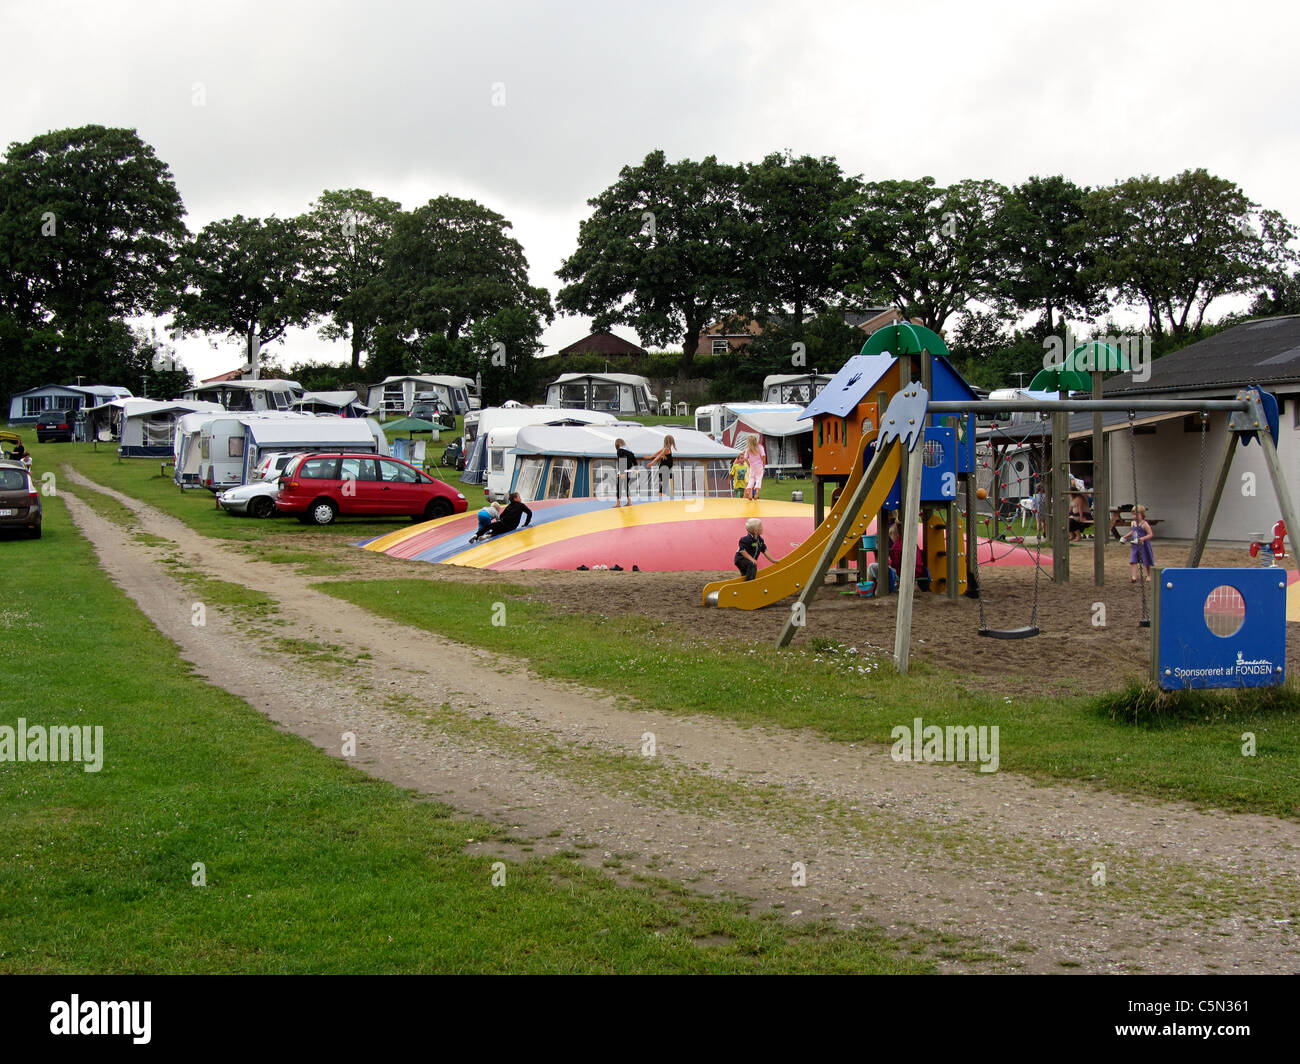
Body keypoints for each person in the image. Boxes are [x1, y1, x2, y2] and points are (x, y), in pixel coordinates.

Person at [866, 521, 927, 592]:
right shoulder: (913, 543)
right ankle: (914, 585)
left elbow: (895, 564)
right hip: (918, 572)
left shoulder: (897, 546)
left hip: (902, 573)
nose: (891, 538)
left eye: (891, 536)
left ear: (897, 535)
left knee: (871, 566)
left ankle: (870, 589)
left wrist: (887, 563)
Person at [1127, 504, 1154, 582]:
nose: (1134, 516)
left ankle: (1148, 575)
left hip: (1144, 545)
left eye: (1136, 514)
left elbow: (1150, 534)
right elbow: (1133, 531)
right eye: (1133, 514)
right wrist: (1126, 536)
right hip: (1135, 544)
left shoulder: (1145, 524)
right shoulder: (1133, 523)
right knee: (1133, 560)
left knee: (1146, 560)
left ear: (1142, 514)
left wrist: (1143, 538)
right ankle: (1134, 577)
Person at [646, 435, 676, 499]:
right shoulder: (667, 449)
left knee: (664, 483)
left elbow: (656, 454)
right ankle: (661, 498)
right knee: (664, 483)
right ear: (671, 442)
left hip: (665, 467)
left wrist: (650, 457)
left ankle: (661, 497)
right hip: (665, 468)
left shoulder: (666, 449)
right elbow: (659, 455)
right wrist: (652, 462)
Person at [613, 438, 638, 506]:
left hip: (623, 469)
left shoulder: (620, 451)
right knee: (626, 486)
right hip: (629, 470)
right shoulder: (630, 451)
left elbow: (622, 461)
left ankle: (618, 503)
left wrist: (622, 472)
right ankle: (629, 502)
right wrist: (636, 467)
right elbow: (634, 459)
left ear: (617, 445)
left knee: (619, 486)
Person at [741, 433, 766, 501]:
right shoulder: (760, 447)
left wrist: (749, 464)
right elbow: (763, 455)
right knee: (758, 478)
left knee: (751, 478)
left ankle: (748, 489)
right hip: (759, 465)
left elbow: (745, 458)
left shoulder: (748, 449)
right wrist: (764, 464)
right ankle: (757, 492)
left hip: (752, 466)